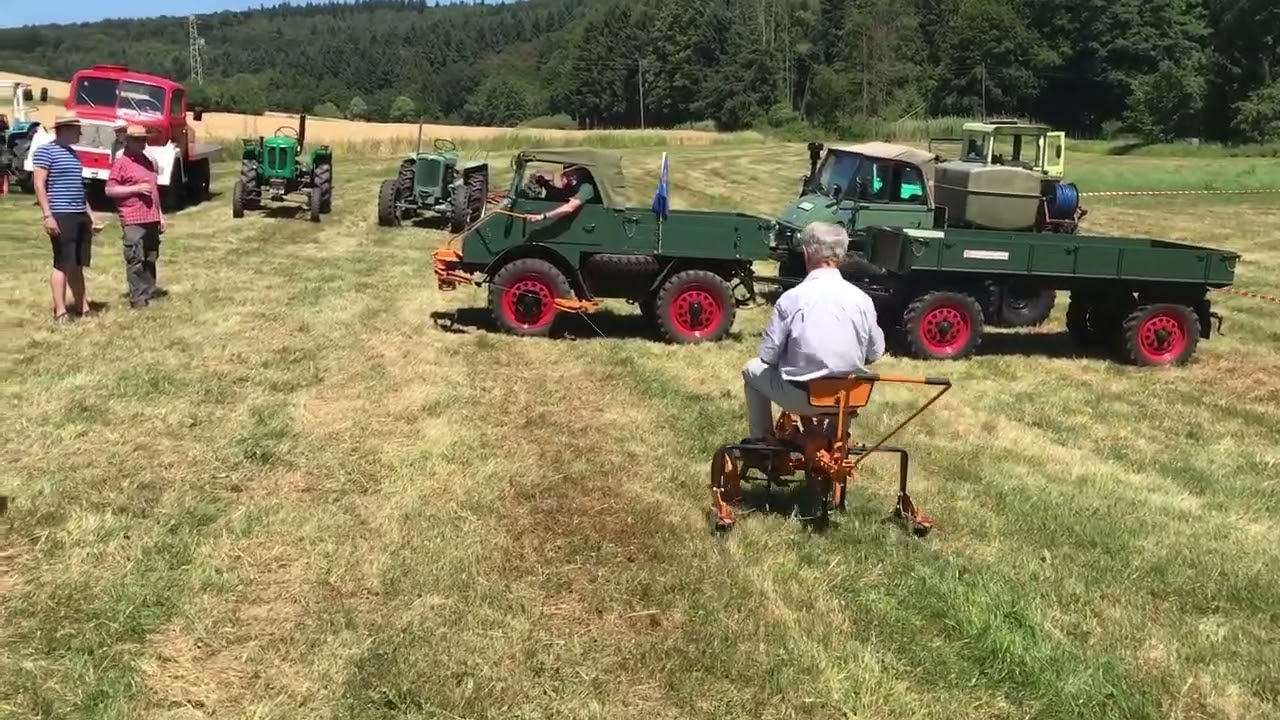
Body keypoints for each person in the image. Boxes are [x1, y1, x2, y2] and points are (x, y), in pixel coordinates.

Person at [741, 221, 885, 444]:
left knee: (752, 369)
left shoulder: (792, 298)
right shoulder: (862, 300)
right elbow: (875, 352)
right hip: (850, 397)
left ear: (807, 254)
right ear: (843, 255)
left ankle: (762, 441)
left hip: (802, 395)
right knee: (847, 380)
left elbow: (768, 356)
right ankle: (836, 438)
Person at [33, 114, 104, 323]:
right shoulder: (46, 152)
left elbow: (78, 189)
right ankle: (61, 311)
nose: (80, 133)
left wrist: (90, 215)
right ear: (63, 129)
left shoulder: (72, 154)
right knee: (62, 263)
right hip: (61, 214)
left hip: (79, 214)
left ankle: (83, 306)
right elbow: (39, 184)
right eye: (76, 129)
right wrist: (48, 215)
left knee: (77, 263)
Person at [105, 123, 166, 308]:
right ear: (128, 141)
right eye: (138, 140)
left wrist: (160, 215)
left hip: (151, 216)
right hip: (133, 217)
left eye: (144, 139)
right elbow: (110, 190)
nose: (142, 143)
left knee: (150, 256)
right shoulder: (121, 163)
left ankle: (148, 292)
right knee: (135, 257)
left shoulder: (148, 161)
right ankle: (137, 298)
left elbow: (154, 190)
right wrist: (136, 189)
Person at [522, 165, 596, 224]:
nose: (570, 177)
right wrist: (545, 184)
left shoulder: (586, 187)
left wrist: (542, 216)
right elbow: (561, 195)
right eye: (567, 174)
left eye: (574, 173)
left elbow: (569, 208)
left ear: (582, 172)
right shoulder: (573, 185)